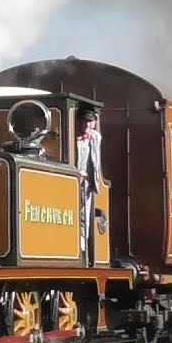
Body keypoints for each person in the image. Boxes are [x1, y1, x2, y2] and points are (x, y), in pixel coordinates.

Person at [75, 107, 104, 264]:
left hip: (86, 183)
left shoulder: (95, 137)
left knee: (84, 216)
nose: (87, 124)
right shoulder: (73, 137)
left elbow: (95, 159)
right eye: (84, 120)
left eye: (90, 121)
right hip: (74, 179)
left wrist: (93, 179)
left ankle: (83, 249)